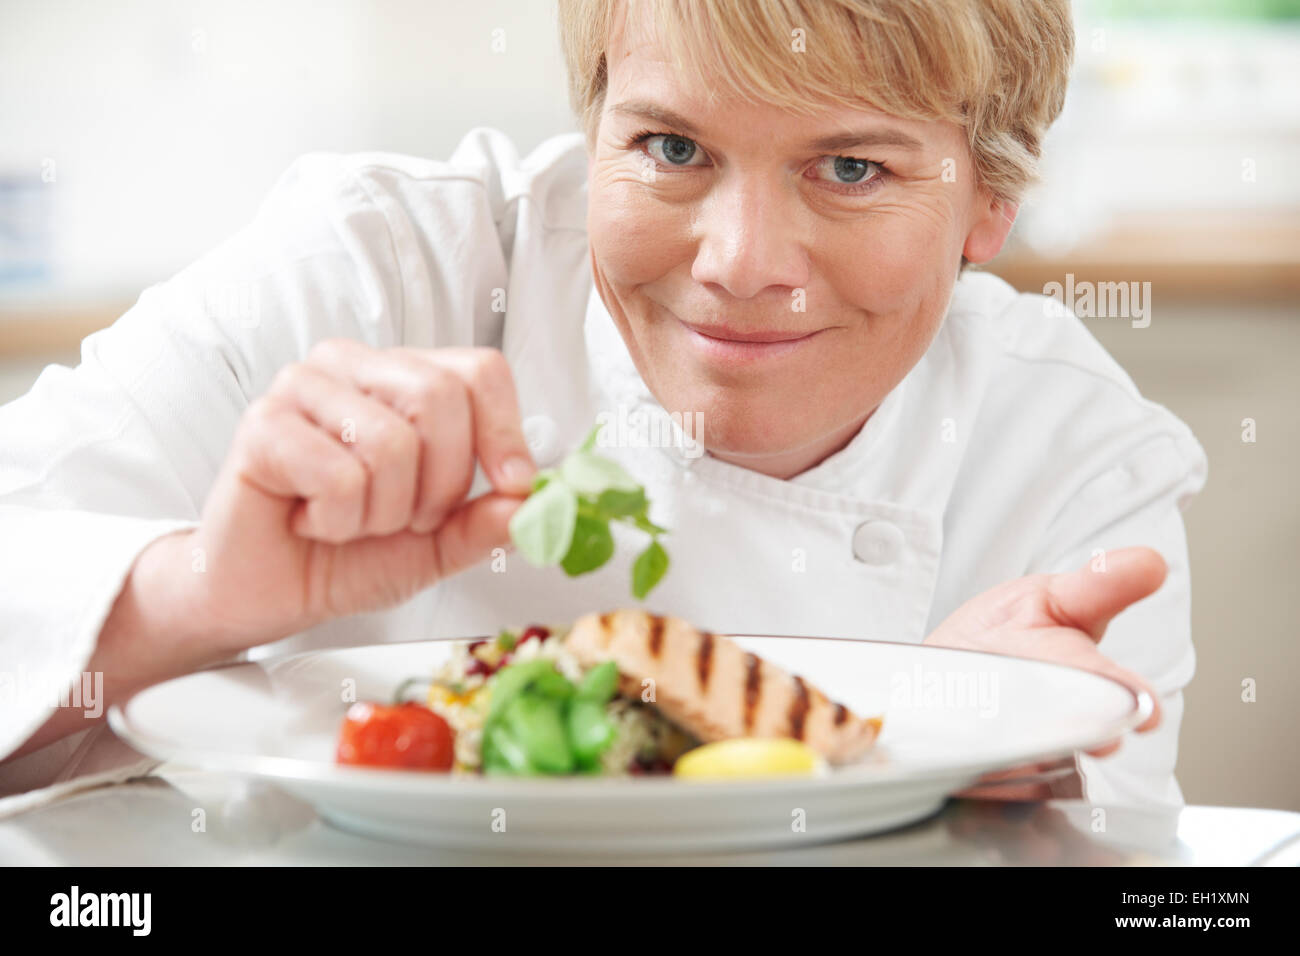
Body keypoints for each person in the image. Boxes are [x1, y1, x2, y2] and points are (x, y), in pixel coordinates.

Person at [0, 0, 1205, 807]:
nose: (739, 259)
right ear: (592, 125)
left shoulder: (1074, 463)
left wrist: (944, 763)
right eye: (673, 149)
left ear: (989, 203)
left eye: (850, 168)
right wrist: (204, 588)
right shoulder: (366, 271)